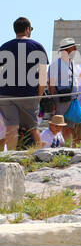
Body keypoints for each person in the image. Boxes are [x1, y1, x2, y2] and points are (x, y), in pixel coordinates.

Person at [0, 17, 47, 150]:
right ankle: (39, 155)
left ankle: (10, 157)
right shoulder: (37, 46)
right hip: (28, 93)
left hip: (5, 93)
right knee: (33, 127)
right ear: (27, 29)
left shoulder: (4, 46)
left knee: (11, 126)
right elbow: (43, 77)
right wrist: (38, 96)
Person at [46, 38, 79, 119]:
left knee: (70, 127)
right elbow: (51, 84)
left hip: (73, 100)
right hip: (61, 101)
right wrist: (53, 102)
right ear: (67, 50)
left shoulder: (73, 63)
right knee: (60, 124)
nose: (76, 50)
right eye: (74, 48)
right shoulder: (55, 65)